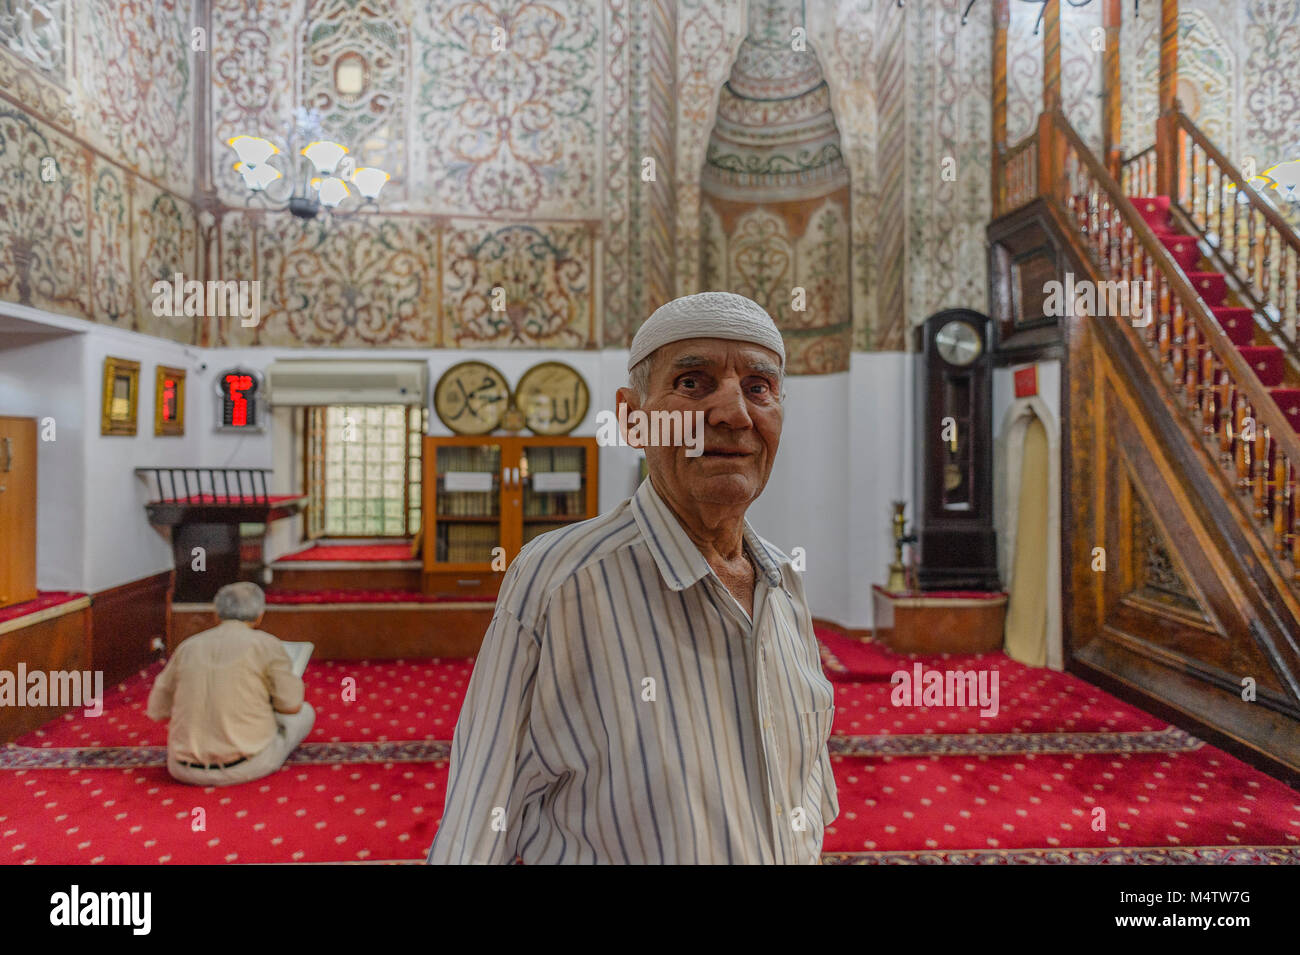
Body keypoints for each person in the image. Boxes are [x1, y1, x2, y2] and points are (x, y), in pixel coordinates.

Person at [428, 291, 838, 864]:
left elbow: (806, 787)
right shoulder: (560, 581)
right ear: (632, 418)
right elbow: (479, 817)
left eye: (758, 388)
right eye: (692, 383)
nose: (733, 414)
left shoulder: (782, 582)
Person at [147, 581, 315, 786]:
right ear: (259, 616)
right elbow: (291, 705)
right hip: (245, 766)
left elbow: (157, 708)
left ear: (216, 615)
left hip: (182, 768)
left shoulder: (188, 646)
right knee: (305, 713)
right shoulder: (266, 644)